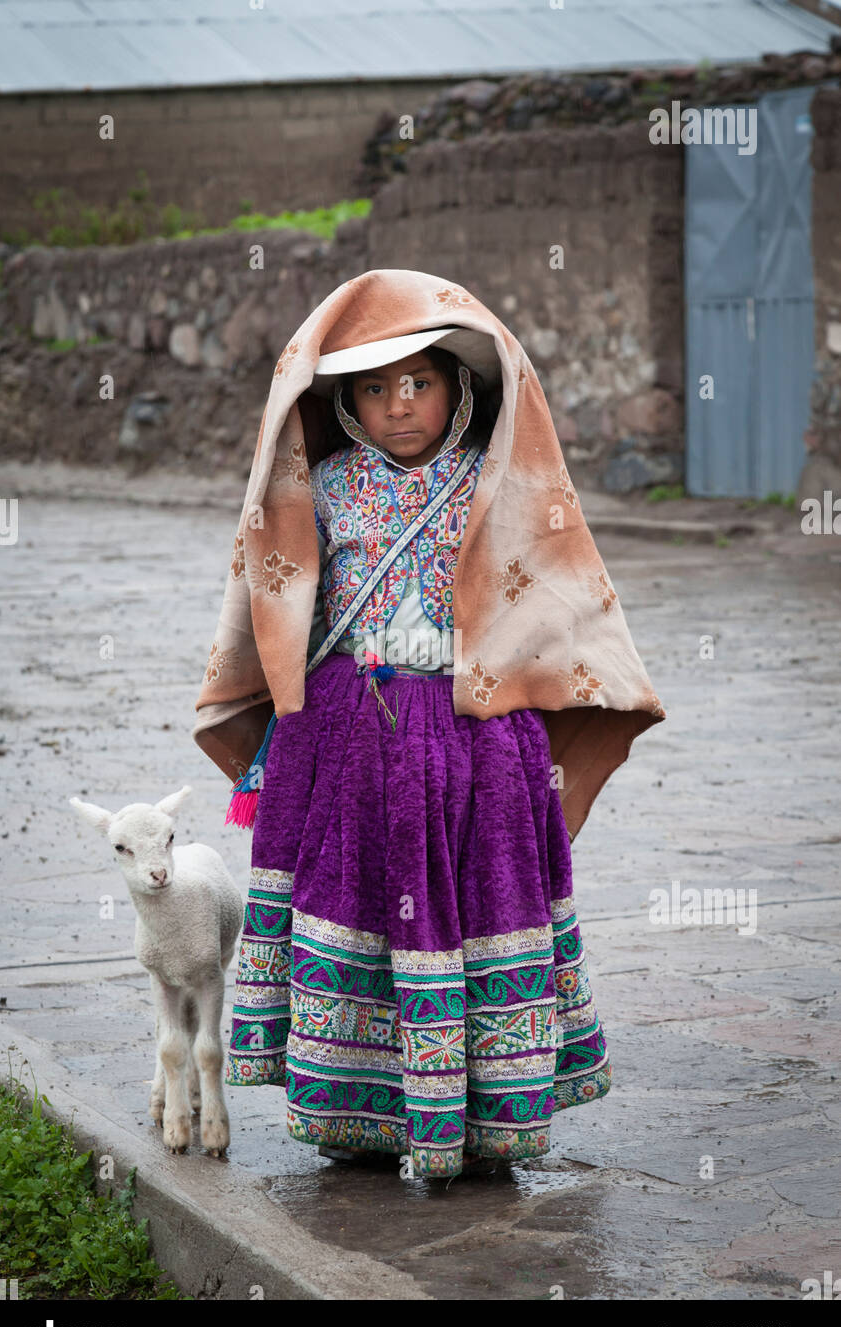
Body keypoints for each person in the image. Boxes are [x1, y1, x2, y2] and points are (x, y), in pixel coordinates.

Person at [192, 269, 665, 1179]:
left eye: (420, 382)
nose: (399, 405)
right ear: (347, 402)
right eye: (374, 388)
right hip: (348, 738)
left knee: (480, 902)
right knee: (358, 904)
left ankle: (486, 1114)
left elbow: (557, 598)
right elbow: (271, 596)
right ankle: (356, 1113)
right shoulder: (319, 488)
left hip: (477, 736)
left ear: (460, 388)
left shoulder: (500, 482)